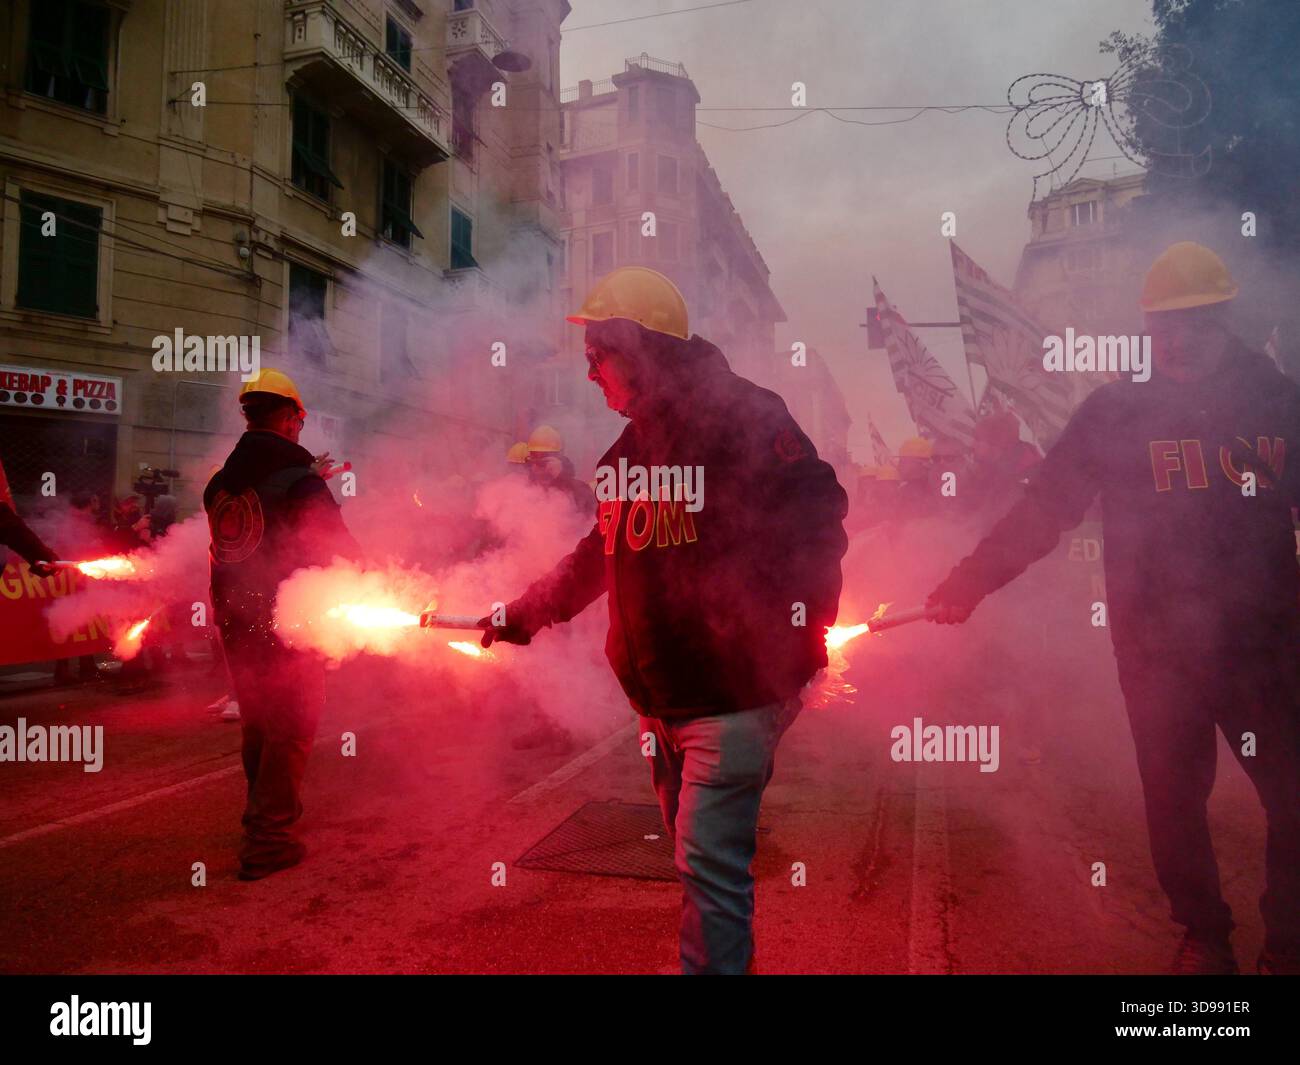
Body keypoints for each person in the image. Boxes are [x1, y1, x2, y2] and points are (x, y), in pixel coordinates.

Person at [925, 242, 1300, 975]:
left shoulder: (1279, 402)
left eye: (1194, 323)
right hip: (1157, 648)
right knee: (1173, 799)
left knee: (1293, 797)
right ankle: (1205, 936)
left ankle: (1287, 942)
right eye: (1164, 326)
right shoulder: (1116, 410)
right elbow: (1046, 508)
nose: (1178, 340)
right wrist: (969, 581)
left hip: (1268, 644)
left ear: (1225, 320)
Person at [479, 267, 848, 974]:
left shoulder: (748, 418)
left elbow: (818, 519)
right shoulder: (625, 455)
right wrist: (525, 611)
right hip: (657, 706)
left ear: (639, 347)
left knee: (711, 876)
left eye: (599, 357)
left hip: (732, 697)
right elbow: (599, 553)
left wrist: (805, 634)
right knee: (696, 864)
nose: (591, 376)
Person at [204, 368, 361, 880]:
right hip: (288, 620)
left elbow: (259, 520)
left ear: (248, 416)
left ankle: (264, 817)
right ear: (294, 417)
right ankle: (268, 840)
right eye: (298, 419)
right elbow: (339, 551)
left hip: (234, 617)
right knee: (291, 725)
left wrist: (309, 478)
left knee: (258, 721)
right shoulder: (299, 481)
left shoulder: (221, 482)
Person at [525, 425, 594, 514]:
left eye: (544, 461)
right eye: (535, 459)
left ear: (559, 458)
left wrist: (561, 478)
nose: (540, 469)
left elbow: (592, 518)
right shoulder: (523, 490)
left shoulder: (579, 490)